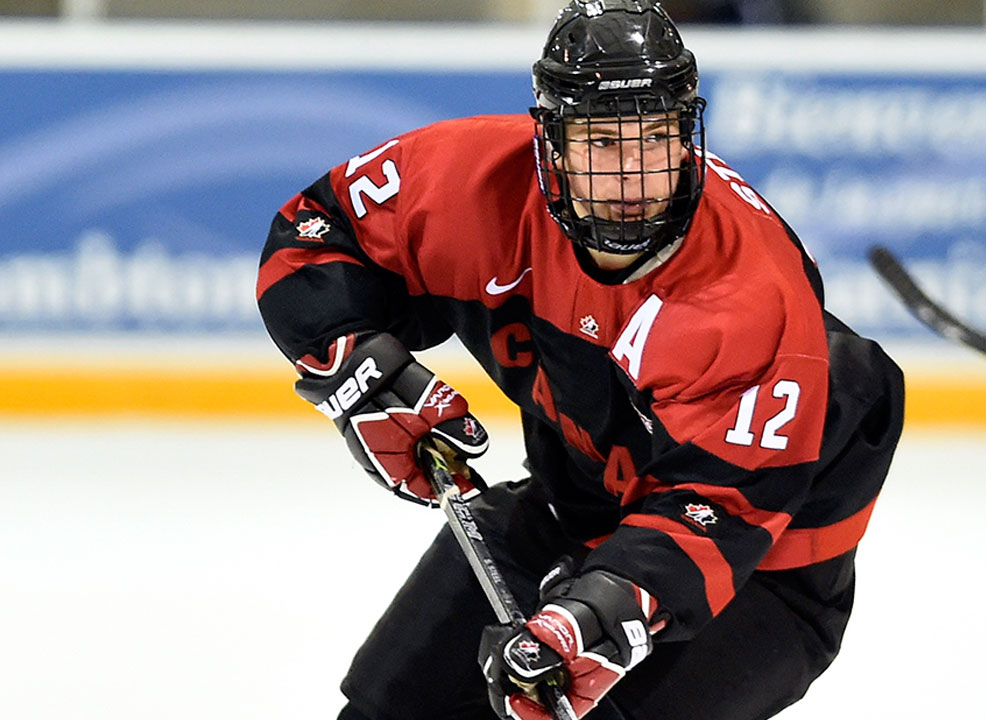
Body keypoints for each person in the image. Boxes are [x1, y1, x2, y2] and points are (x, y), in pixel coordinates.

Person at [256, 2, 904, 719]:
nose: (633, 176)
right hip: (575, 505)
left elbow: (721, 512)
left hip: (760, 568)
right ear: (552, 145)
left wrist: (598, 613)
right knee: (392, 701)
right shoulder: (475, 183)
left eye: (655, 138)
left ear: (687, 137)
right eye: (601, 141)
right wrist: (360, 369)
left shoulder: (748, 299)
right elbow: (315, 233)